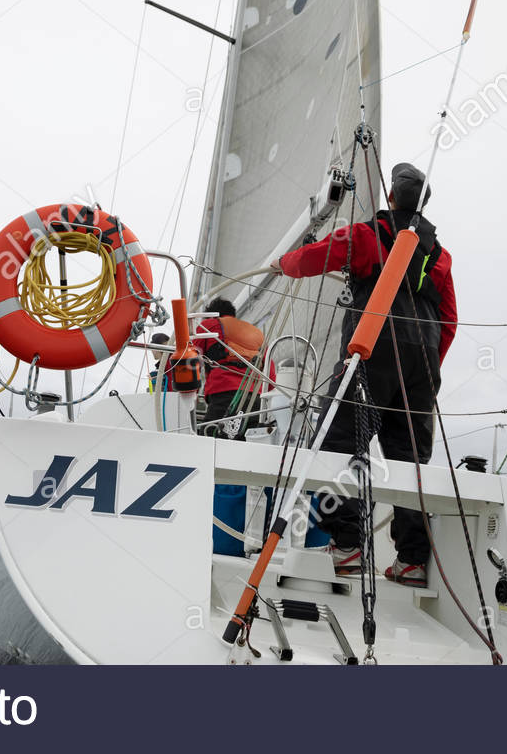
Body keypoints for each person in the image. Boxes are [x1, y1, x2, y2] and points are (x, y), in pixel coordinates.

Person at [272, 162, 456, 586]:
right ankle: (411, 560)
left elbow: (317, 257)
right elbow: (449, 320)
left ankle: (349, 544)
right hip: (423, 364)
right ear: (424, 203)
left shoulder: (369, 236)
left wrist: (284, 263)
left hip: (373, 349)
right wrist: (428, 369)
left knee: (336, 444)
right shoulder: (440, 255)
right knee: (412, 459)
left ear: (391, 198)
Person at [192, 299, 276, 439]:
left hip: (224, 397)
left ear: (212, 315)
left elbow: (191, 361)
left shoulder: (209, 325)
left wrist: (191, 396)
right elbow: (271, 378)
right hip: (256, 401)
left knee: (209, 440)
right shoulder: (258, 334)